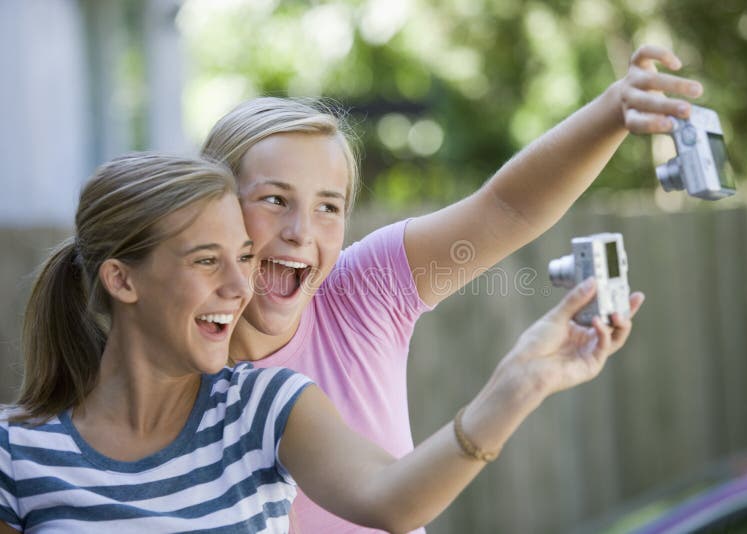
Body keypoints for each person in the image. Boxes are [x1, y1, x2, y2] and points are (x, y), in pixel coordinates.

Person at [0, 153, 641, 533]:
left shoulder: (264, 408)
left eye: (243, 256)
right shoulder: (16, 453)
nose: (238, 284)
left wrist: (521, 383)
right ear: (121, 278)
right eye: (205, 261)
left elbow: (392, 499)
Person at [200, 44, 683, 531]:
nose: (301, 231)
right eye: (275, 199)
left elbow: (506, 210)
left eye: (328, 207)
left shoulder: (360, 293)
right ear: (213, 206)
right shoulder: (162, 364)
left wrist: (613, 111)